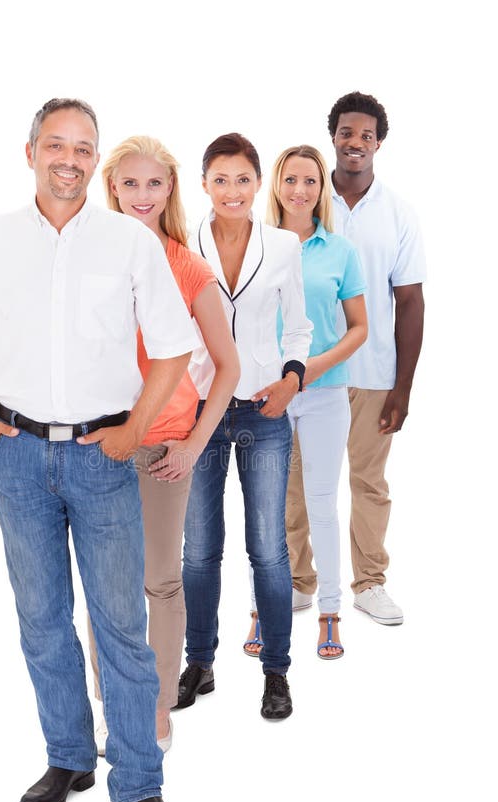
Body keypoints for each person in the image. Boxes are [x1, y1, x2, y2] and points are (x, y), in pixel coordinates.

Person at [0, 98, 201, 802]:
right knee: (42, 620)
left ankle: (138, 786)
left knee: (121, 626)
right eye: (57, 145)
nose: (70, 159)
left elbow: (174, 347)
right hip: (13, 454)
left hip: (102, 455)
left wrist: (136, 428)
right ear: (30, 153)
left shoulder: (129, 244)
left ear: (95, 159)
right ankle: (68, 758)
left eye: (84, 147)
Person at [87, 136, 239, 751]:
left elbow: (227, 367)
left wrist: (195, 445)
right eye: (130, 184)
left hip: (163, 448)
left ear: (171, 189)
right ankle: (114, 709)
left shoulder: (188, 268)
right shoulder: (92, 261)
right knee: (104, 586)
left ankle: (157, 713)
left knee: (159, 582)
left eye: (154, 184)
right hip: (98, 444)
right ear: (113, 189)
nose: (142, 196)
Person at [176, 133, 312, 720]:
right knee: (200, 549)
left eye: (243, 180)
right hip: (200, 410)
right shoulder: (182, 243)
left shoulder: (283, 246)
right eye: (220, 180)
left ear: (259, 186)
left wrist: (291, 378)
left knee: (269, 550)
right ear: (203, 185)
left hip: (263, 410)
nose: (232, 191)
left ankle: (276, 671)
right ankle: (199, 662)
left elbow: (300, 328)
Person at [289, 92, 426, 625]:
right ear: (333, 136)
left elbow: (410, 301)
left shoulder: (398, 214)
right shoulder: (301, 202)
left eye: (366, 135)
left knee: (368, 482)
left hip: (372, 374)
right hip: (306, 375)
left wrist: (403, 387)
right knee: (294, 481)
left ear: (379, 143)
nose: (355, 143)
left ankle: (369, 582)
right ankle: (299, 581)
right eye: (347, 132)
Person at [243, 145, 367, 659]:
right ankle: (261, 610)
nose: (300, 190)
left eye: (310, 181)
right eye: (291, 179)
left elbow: (359, 329)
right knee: (264, 507)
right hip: (263, 394)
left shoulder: (340, 251)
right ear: (276, 185)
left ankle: (331, 613)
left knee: (321, 503)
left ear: (322, 189)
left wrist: (311, 369)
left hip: (324, 393)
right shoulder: (256, 245)